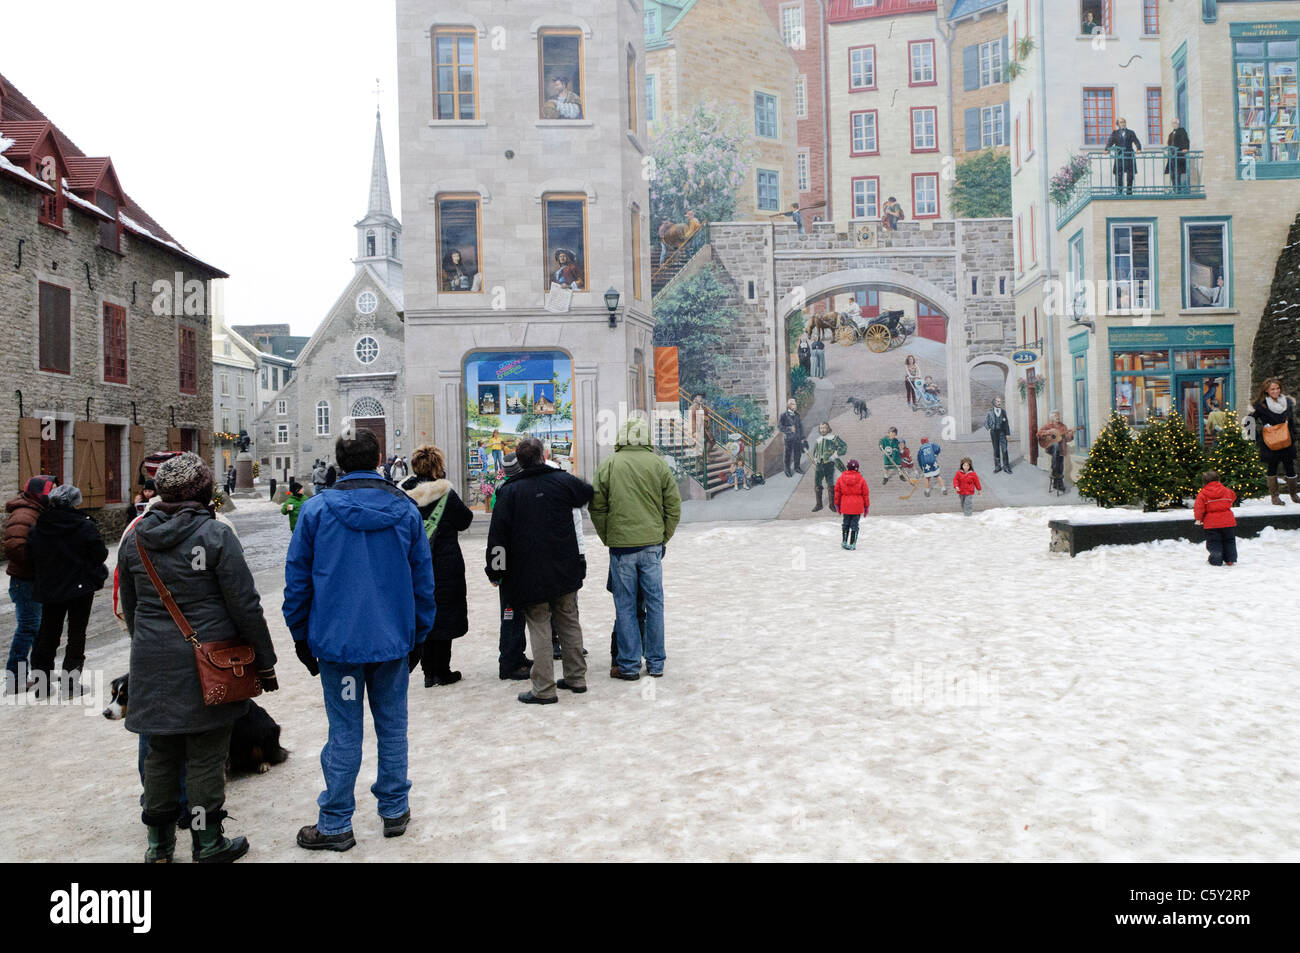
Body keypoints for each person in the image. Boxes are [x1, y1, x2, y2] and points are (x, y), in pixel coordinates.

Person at [117, 452, 278, 863]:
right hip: (210, 664)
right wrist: (264, 659)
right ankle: (207, 843)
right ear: (204, 490)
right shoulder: (215, 536)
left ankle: (159, 846)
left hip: (152, 663)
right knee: (206, 758)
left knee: (160, 755)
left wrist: (149, 647)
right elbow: (245, 606)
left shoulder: (136, 538)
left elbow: (132, 607)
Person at [284, 429, 436, 851]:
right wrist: (420, 633)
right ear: (380, 458)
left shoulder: (316, 511)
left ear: (339, 461)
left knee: (344, 730)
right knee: (392, 725)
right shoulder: (405, 512)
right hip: (390, 640)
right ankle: (394, 809)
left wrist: (300, 635)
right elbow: (424, 580)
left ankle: (335, 822)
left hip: (339, 643)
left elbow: (297, 580)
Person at [486, 437, 594, 703]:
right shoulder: (562, 481)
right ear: (544, 455)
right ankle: (576, 677)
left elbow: (497, 538)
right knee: (568, 619)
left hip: (529, 573)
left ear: (519, 462)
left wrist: (495, 572)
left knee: (539, 624)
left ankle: (544, 688)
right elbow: (587, 492)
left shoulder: (510, 492)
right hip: (566, 567)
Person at [590, 416, 681, 681]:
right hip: (652, 546)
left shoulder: (609, 464)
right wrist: (663, 536)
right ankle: (655, 663)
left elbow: (597, 505)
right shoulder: (658, 464)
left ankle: (628, 665)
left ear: (621, 437)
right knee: (655, 604)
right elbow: (673, 506)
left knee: (625, 606)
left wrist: (608, 535)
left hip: (621, 548)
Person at [26, 484, 108, 699]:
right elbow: (99, 553)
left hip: (50, 587)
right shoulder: (84, 525)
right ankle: (70, 684)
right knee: (76, 634)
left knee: (48, 634)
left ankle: (42, 685)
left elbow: (30, 555)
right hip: (80, 588)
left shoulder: (39, 526)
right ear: (75, 502)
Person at [401, 445, 474, 688]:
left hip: (413, 565)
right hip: (444, 563)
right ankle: (442, 670)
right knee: (445, 613)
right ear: (437, 467)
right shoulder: (445, 494)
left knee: (422, 612)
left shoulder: (403, 495)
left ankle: (427, 672)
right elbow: (465, 520)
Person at [3, 475, 53, 694]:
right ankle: (15, 678)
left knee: (36, 627)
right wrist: (40, 563)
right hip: (25, 581)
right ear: (39, 493)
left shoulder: (35, 510)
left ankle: (33, 673)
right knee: (28, 627)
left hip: (32, 580)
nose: (52, 495)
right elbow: (15, 547)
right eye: (50, 490)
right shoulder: (24, 513)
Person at [491, 453, 532, 681]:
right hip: (511, 565)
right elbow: (498, 536)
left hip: (511, 563)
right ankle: (508, 663)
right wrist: (496, 570)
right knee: (510, 615)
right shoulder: (510, 493)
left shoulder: (503, 490)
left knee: (516, 613)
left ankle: (518, 655)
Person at [1250, 377, 1300, 505]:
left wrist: (1293, 434)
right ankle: (1274, 497)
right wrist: (1254, 437)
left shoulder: (1287, 402)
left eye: (1277, 388)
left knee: (1290, 467)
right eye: (1272, 389)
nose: (1276, 391)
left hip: (1286, 440)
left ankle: (1294, 495)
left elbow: (1292, 421)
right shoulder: (1261, 405)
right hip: (1270, 442)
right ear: (1266, 391)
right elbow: (1249, 420)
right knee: (1272, 467)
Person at [1194, 470, 1238, 567]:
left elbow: (1199, 508)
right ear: (1218, 479)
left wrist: (1199, 519)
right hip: (1228, 521)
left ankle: (1216, 559)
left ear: (1204, 482)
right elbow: (1233, 497)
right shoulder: (1226, 490)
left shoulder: (1203, 494)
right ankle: (1230, 559)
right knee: (1229, 541)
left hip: (1211, 523)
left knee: (1214, 542)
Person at [810, 421, 848, 513]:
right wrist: (815, 459)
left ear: (828, 428)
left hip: (829, 464)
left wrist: (835, 454)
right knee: (817, 485)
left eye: (824, 428)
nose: (823, 429)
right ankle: (819, 505)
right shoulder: (818, 440)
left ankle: (832, 505)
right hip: (819, 464)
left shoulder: (833, 438)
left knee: (831, 485)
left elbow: (844, 446)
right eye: (821, 428)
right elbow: (814, 452)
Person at [834, 460, 868, 551]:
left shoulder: (841, 478)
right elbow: (865, 494)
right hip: (857, 506)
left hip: (846, 506)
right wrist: (866, 506)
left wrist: (837, 504)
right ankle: (853, 544)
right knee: (854, 525)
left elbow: (837, 492)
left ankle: (844, 542)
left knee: (846, 524)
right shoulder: (861, 479)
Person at [1106, 118, 1142, 195]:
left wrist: (1138, 148)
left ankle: (1129, 191)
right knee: (1119, 174)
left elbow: (1136, 141)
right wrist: (1107, 149)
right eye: (1121, 122)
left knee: (1130, 175)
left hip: (1129, 155)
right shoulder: (1115, 133)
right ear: (1118, 124)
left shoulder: (1131, 132)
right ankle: (1119, 191)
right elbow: (1110, 142)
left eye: (1124, 122)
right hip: (1119, 156)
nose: (1123, 124)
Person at [779, 398, 806, 478]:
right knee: (787, 455)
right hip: (788, 438)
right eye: (794, 404)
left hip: (797, 438)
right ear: (789, 405)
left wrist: (803, 437)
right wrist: (789, 429)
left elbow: (800, 427)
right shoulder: (783, 415)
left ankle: (797, 467)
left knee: (798, 454)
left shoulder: (797, 415)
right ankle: (787, 470)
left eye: (795, 404)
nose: (795, 405)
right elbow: (780, 427)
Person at [986, 396, 1013, 473]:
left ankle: (1006, 466)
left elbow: (1006, 423)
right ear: (994, 402)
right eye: (998, 401)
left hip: (1002, 432)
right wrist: (991, 427)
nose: (999, 402)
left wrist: (1008, 434)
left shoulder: (1003, 412)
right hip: (994, 433)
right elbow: (986, 422)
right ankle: (997, 467)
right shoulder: (990, 412)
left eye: (1000, 401)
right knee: (996, 449)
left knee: (1004, 449)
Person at [1166, 118, 1190, 192]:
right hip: (1172, 156)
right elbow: (1169, 144)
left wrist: (1186, 148)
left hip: (1178, 155)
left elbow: (1186, 140)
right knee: (1172, 173)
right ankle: (1174, 189)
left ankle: (1178, 190)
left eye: (1175, 123)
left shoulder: (1182, 131)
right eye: (1173, 123)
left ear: (1178, 123)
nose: (1174, 124)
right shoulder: (1170, 134)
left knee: (1178, 173)